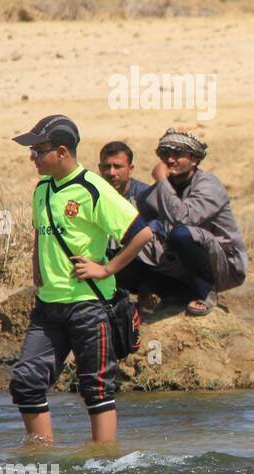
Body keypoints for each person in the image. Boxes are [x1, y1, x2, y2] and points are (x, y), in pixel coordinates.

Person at [8, 115, 153, 445]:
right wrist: (37, 270)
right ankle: (41, 461)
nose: (31, 156)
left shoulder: (93, 187)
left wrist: (107, 269)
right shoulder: (42, 188)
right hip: (48, 307)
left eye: (37, 150)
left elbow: (141, 233)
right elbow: (40, 233)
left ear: (61, 151)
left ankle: (103, 469)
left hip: (90, 307)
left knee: (96, 389)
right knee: (26, 383)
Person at [121, 129, 247, 316]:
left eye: (178, 154)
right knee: (127, 236)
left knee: (181, 234)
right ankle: (175, 294)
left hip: (223, 265)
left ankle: (205, 293)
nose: (170, 160)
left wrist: (162, 180)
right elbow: (136, 218)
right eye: (166, 155)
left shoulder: (208, 185)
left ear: (194, 159)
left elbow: (183, 218)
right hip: (181, 262)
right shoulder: (161, 189)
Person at [98, 141, 151, 205]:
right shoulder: (92, 196)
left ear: (130, 169)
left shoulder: (146, 196)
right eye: (107, 166)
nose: (112, 173)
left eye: (117, 167)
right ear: (100, 168)